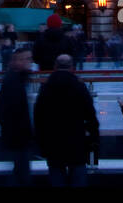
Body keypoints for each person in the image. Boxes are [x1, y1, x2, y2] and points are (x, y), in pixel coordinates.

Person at [33, 54, 99, 186]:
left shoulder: (46, 88)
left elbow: (38, 116)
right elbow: (90, 115)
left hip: (53, 141)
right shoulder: (79, 87)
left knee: (56, 174)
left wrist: (41, 143)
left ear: (55, 66)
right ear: (72, 67)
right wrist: (93, 139)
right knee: (78, 174)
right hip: (76, 140)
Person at [0, 48, 35, 185]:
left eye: (29, 58)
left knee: (20, 171)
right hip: (18, 136)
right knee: (21, 173)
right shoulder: (13, 81)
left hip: (18, 136)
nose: (28, 62)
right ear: (15, 61)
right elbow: (7, 108)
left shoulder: (18, 79)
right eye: (24, 59)